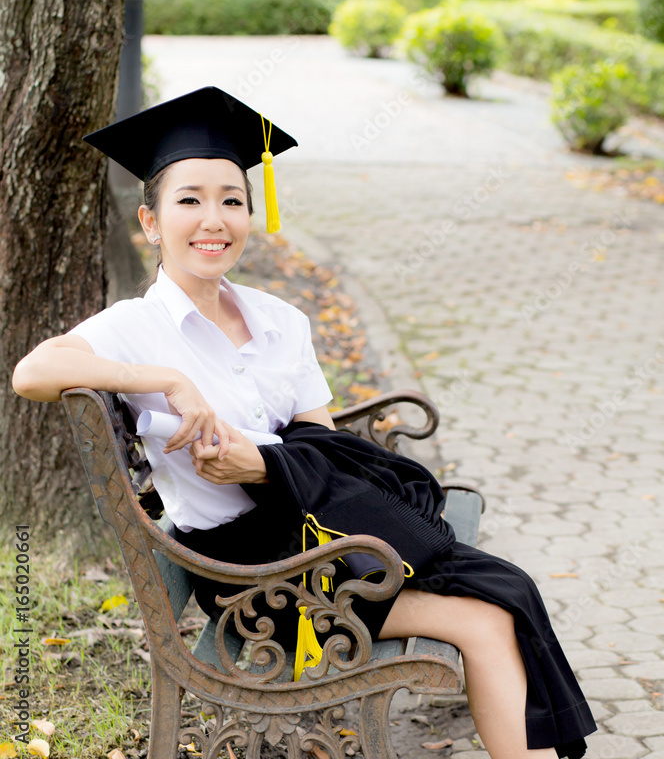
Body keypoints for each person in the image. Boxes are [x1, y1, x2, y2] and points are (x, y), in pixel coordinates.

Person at [13, 87, 596, 759]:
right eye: (190, 199)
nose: (214, 219)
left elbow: (324, 452)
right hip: (252, 576)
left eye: (232, 200)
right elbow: (34, 372)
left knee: (505, 591)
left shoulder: (278, 321)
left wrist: (260, 465)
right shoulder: (134, 329)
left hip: (315, 540)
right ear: (149, 222)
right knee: (487, 617)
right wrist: (167, 380)